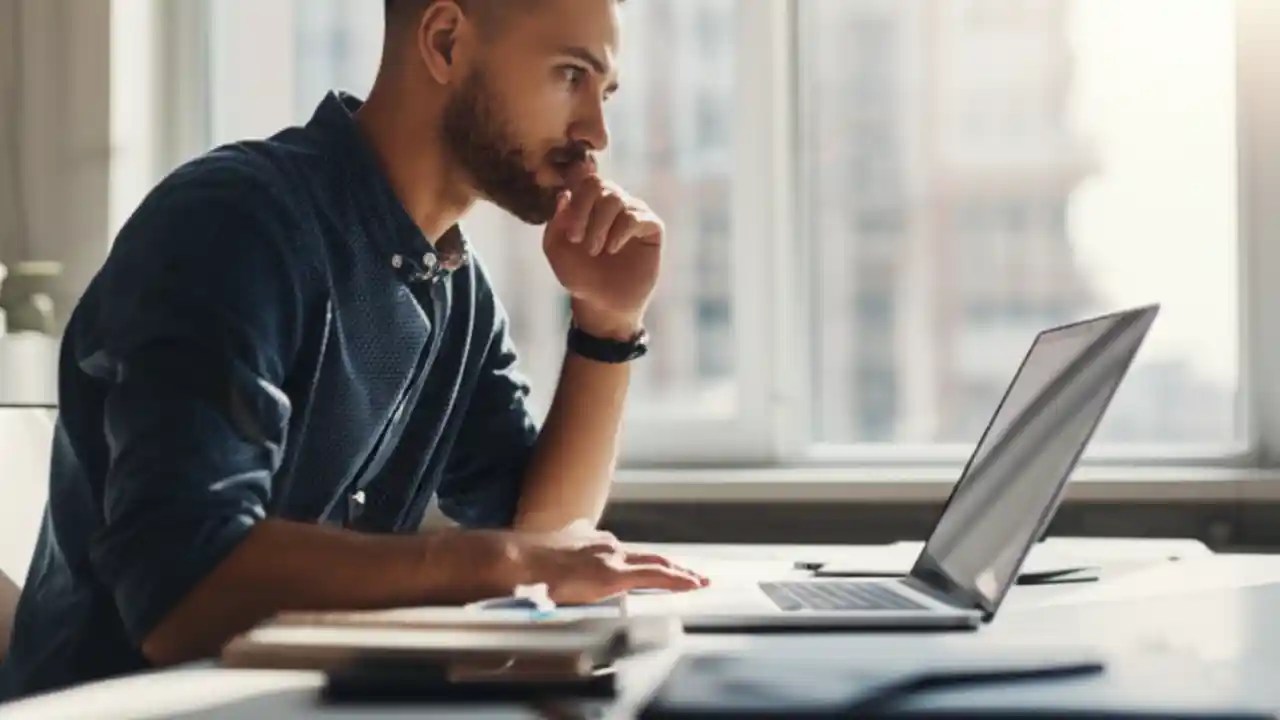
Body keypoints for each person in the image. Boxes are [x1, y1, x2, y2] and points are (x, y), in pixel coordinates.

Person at [0, 0, 707, 700]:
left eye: (604, 91)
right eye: (570, 76)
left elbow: (548, 535)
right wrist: (502, 562)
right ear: (445, 41)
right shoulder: (231, 225)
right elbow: (185, 589)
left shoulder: (455, 289)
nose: (596, 132)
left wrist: (608, 324)